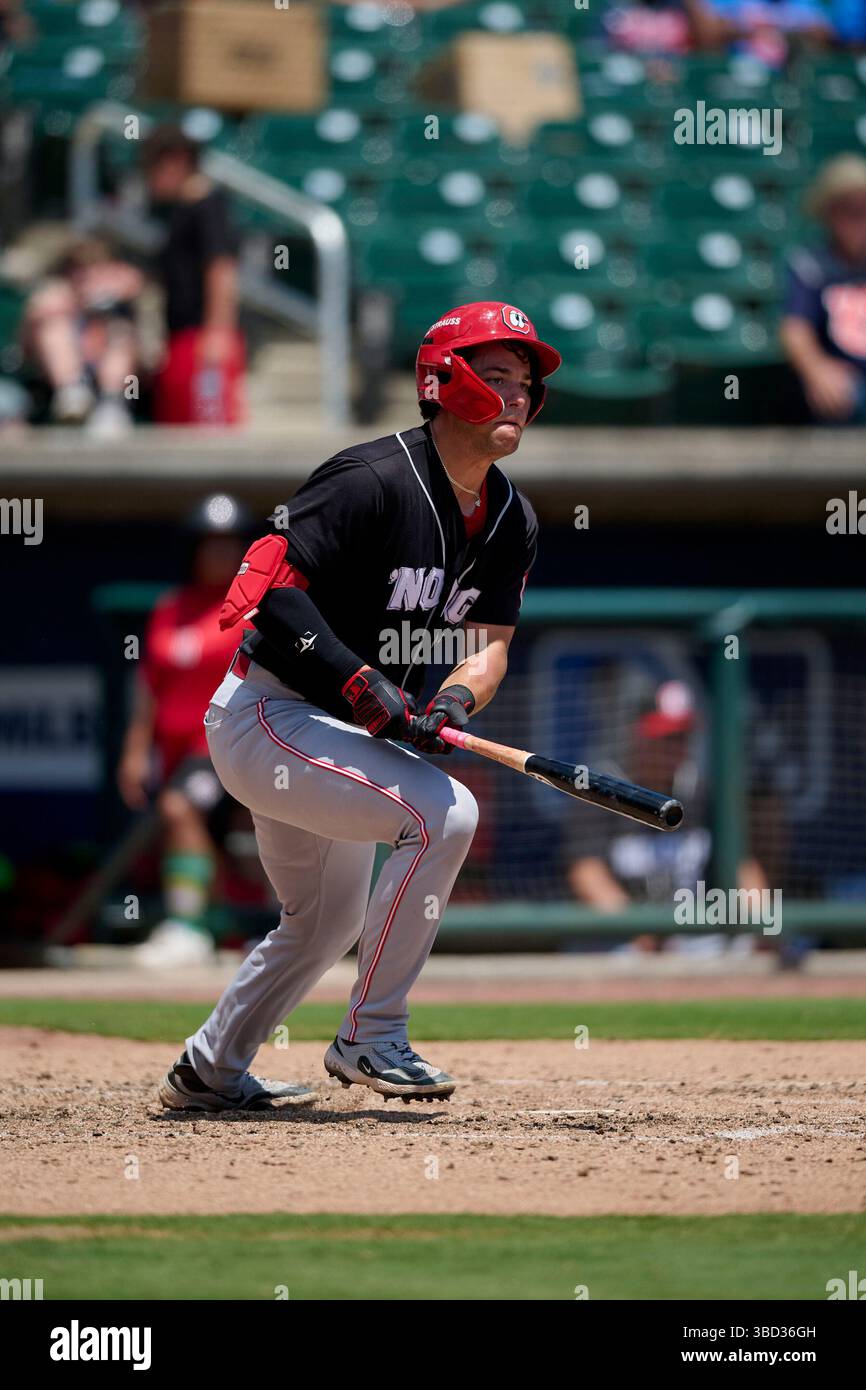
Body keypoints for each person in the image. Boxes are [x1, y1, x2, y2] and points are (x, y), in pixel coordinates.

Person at [157, 301, 562, 1112]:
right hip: (267, 713)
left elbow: (488, 649)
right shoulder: (371, 478)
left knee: (322, 921)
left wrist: (450, 699)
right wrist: (359, 683)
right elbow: (265, 589)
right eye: (496, 377)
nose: (516, 396)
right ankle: (373, 1036)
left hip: (331, 734)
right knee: (444, 813)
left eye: (525, 382)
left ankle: (210, 1068)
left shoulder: (512, 519)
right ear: (443, 383)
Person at [117, 494, 253, 968]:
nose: (218, 554)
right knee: (194, 832)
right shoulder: (171, 608)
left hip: (226, 744)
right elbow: (149, 686)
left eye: (228, 544)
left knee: (179, 809)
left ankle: (188, 928)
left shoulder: (252, 609)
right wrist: (134, 752)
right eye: (209, 544)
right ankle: (222, 931)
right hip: (174, 751)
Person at [563, 680, 770, 955]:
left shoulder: (699, 791)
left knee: (745, 950)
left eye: (681, 738)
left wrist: (762, 921)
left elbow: (741, 866)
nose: (673, 750)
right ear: (637, 736)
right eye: (663, 739)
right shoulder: (600, 790)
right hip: (620, 938)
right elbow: (587, 873)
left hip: (693, 934)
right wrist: (637, 927)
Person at [141, 124, 245, 426]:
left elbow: (221, 268)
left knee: (207, 430)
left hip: (202, 340)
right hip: (181, 339)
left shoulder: (209, 206)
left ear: (176, 160)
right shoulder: (179, 211)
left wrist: (218, 330)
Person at [20, 237, 142, 434]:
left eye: (97, 270)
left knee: (122, 336)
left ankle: (114, 405)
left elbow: (148, 355)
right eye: (80, 271)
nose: (89, 278)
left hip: (131, 389)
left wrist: (121, 298)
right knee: (54, 328)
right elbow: (25, 347)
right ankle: (72, 395)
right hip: (54, 387)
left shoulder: (125, 303)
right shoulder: (53, 302)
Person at [780, 155, 866, 423]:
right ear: (829, 214)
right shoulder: (811, 265)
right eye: (847, 210)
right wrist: (817, 369)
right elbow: (795, 328)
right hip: (846, 386)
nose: (857, 220)